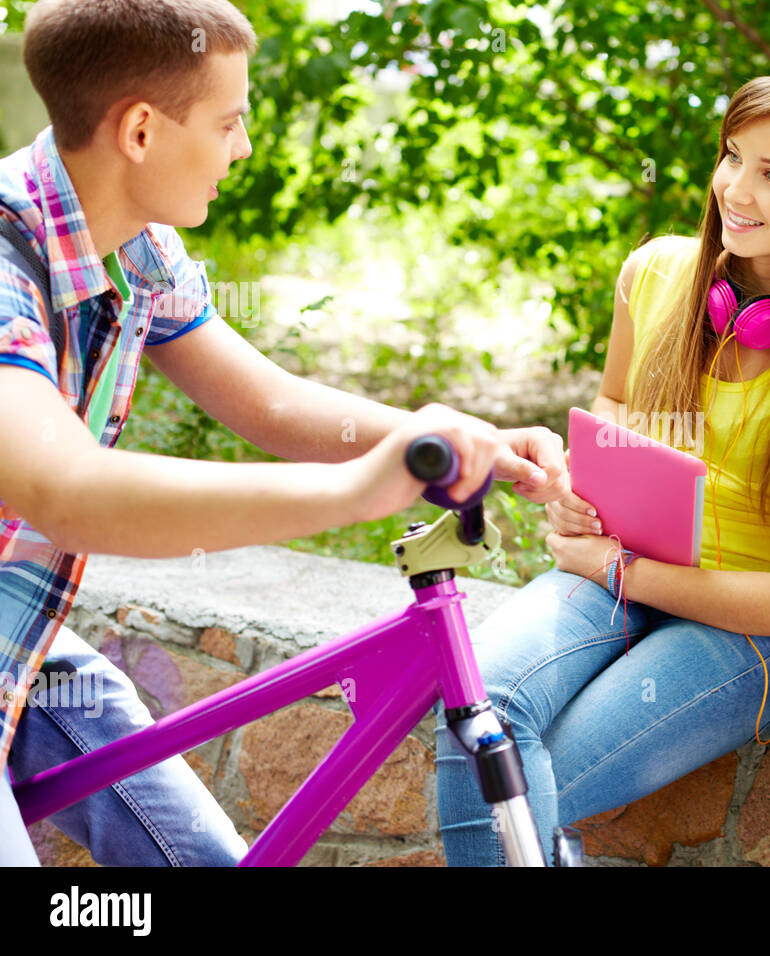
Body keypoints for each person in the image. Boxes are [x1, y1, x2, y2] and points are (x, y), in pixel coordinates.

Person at [0, 0, 566, 866]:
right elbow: (66, 494)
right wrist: (355, 490)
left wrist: (456, 435)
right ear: (142, 132)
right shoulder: (7, 258)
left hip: (21, 642)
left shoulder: (135, 248)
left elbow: (271, 405)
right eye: (229, 121)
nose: (244, 147)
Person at [434, 66, 770, 865]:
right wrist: (583, 490)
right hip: (616, 570)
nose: (735, 189)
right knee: (482, 714)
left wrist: (620, 571)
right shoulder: (654, 275)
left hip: (748, 635)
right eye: (733, 156)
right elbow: (614, 403)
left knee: (504, 776)